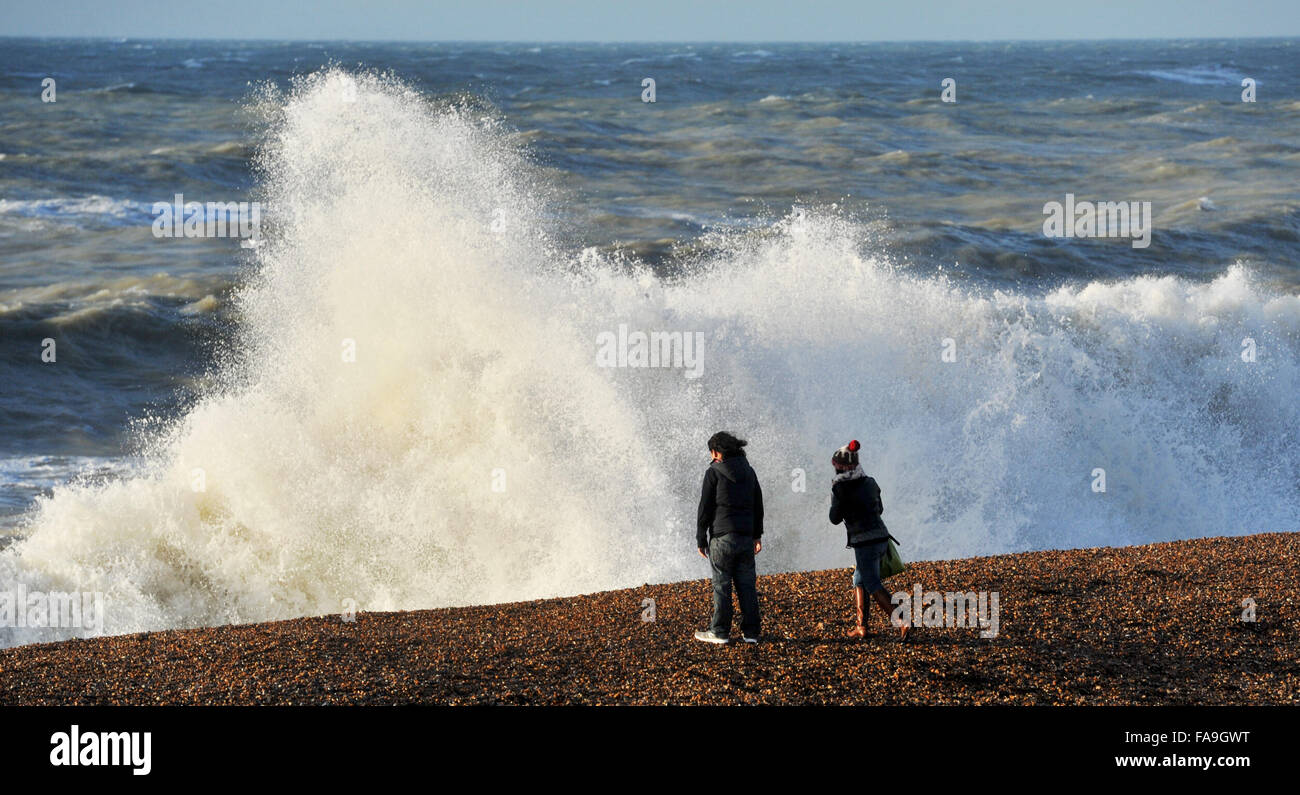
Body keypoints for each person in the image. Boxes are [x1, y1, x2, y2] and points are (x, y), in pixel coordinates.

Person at [829, 440, 908, 640]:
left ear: (840, 466)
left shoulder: (840, 488)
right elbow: (879, 509)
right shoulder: (870, 482)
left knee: (873, 584)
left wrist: (838, 499)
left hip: (864, 544)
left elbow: (834, 518)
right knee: (859, 579)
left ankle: (903, 621)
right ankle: (861, 627)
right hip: (882, 538)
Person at [693, 431, 764, 645]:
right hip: (745, 537)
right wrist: (757, 535)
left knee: (722, 585)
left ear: (717, 452)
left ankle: (720, 631)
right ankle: (751, 633)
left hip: (722, 537)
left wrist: (700, 539)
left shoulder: (713, 472)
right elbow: (758, 505)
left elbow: (705, 508)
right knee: (747, 586)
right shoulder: (749, 472)